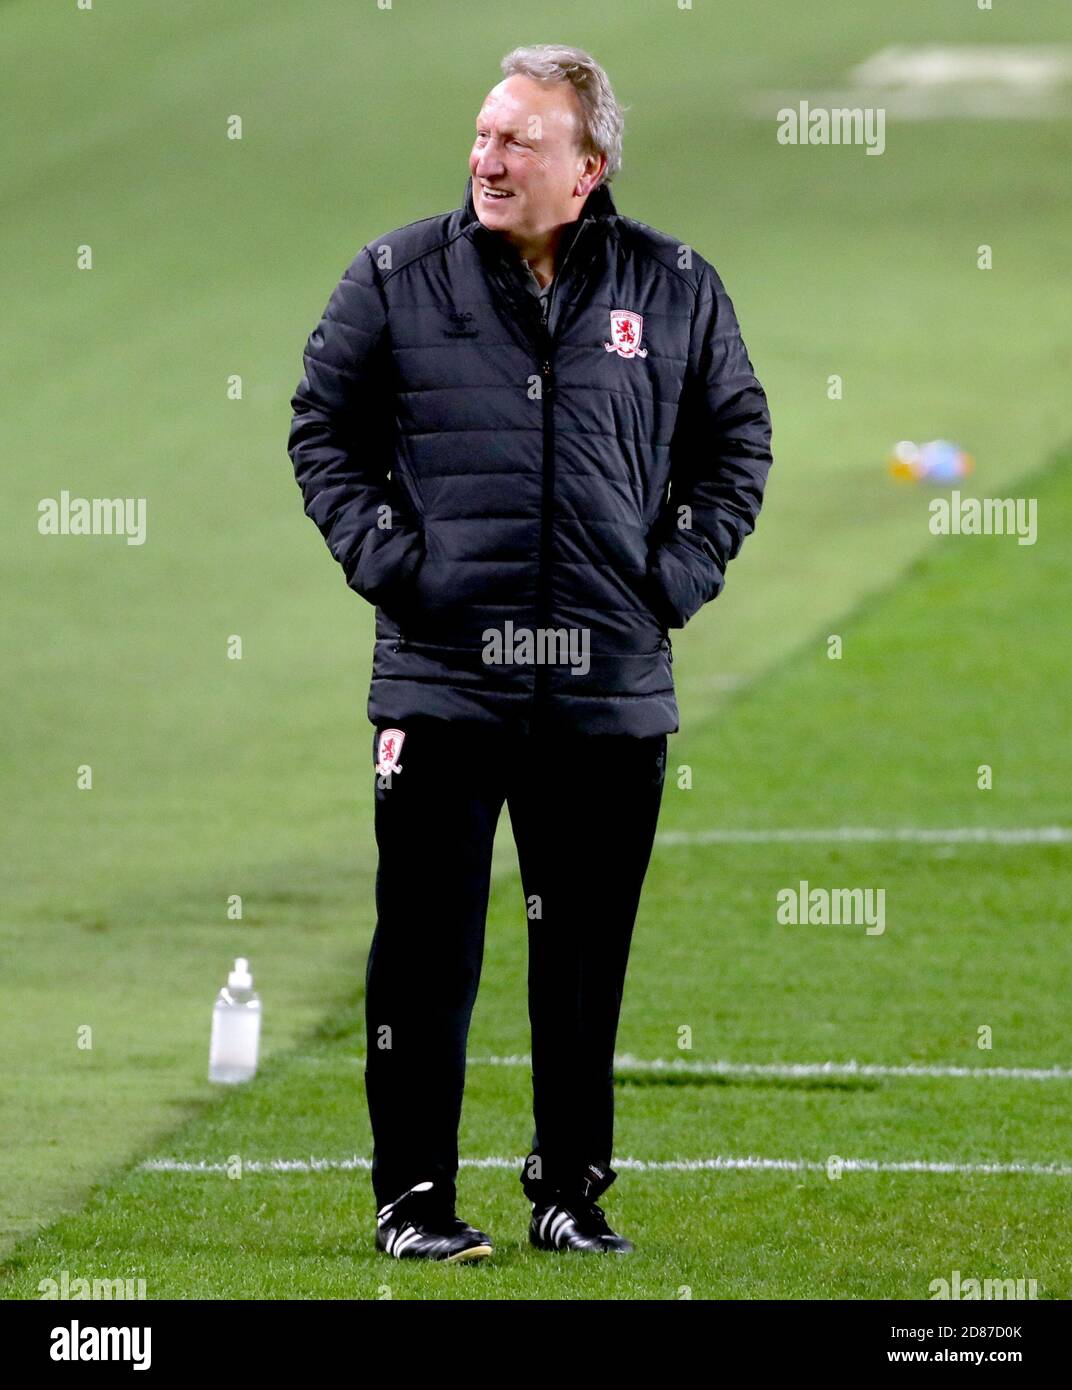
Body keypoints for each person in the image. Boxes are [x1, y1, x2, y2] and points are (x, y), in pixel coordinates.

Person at [287, 44, 773, 1262]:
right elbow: (322, 432)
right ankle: (412, 1202)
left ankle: (568, 1192)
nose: (487, 158)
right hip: (446, 682)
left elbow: (737, 444)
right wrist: (397, 565)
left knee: (581, 962)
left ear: (587, 167)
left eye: (519, 141)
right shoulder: (397, 276)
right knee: (424, 957)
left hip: (607, 687)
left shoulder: (673, 285)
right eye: (483, 133)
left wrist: (672, 577)